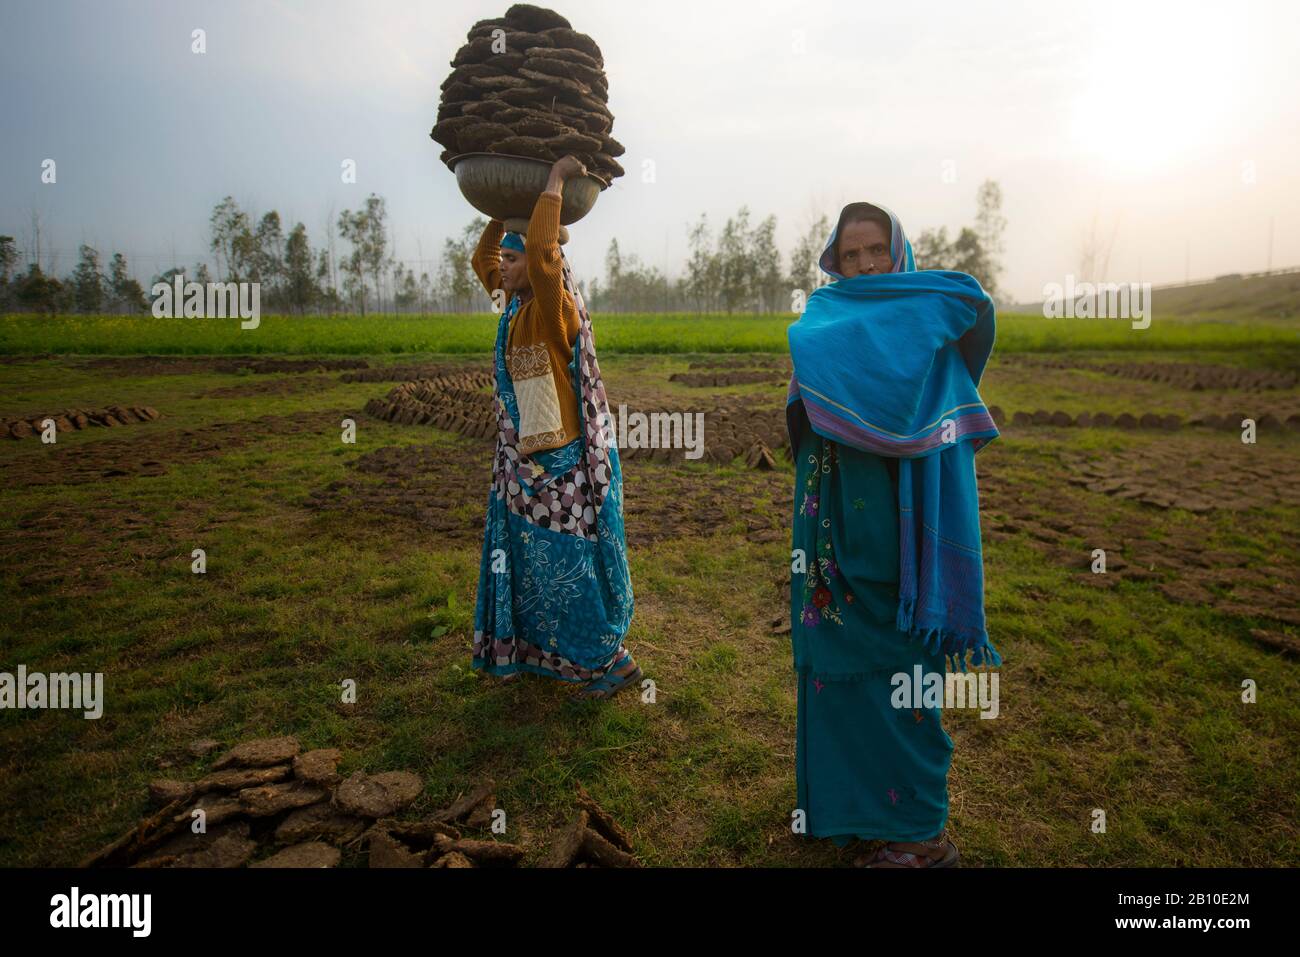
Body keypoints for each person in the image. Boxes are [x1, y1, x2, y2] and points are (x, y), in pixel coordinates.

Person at [785, 201, 1002, 866]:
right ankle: (852, 813)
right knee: (836, 677)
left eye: (875, 250)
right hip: (831, 539)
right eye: (849, 256)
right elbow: (804, 418)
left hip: (906, 546)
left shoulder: (930, 332)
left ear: (899, 251)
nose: (864, 265)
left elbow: (945, 444)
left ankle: (919, 833)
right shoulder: (824, 325)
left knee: (904, 678)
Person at [468, 155, 638, 699]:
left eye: (512, 259)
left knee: (568, 564)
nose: (505, 266)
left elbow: (541, 259)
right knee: (540, 569)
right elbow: (481, 259)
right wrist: (503, 212)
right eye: (507, 260)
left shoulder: (552, 308)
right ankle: (557, 656)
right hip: (529, 462)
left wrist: (554, 184)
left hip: (558, 460)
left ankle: (610, 660)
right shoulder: (513, 305)